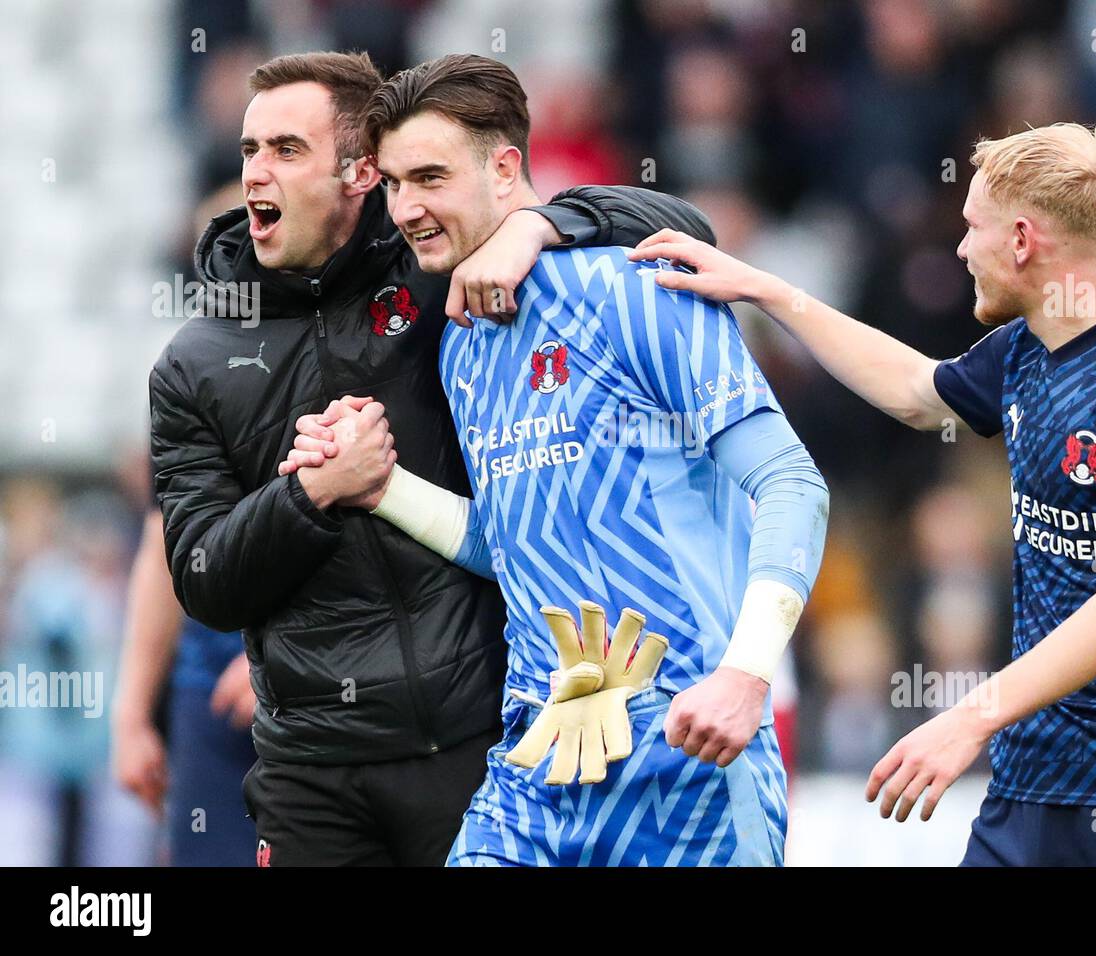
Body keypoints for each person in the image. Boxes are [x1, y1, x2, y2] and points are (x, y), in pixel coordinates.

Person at [150, 50, 716, 866]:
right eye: (248, 150)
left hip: (479, 743)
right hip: (310, 773)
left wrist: (536, 224)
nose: (255, 175)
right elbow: (203, 579)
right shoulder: (193, 361)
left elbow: (682, 228)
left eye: (285, 150)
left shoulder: (435, 272)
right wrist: (312, 496)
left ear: (359, 174)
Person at [626, 122, 1096, 866]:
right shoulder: (1024, 353)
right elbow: (917, 391)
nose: (959, 250)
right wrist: (764, 289)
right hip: (1029, 790)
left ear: (1021, 240)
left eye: (972, 228)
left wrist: (967, 719)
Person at [282, 54, 829, 866]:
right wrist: (382, 488)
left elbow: (791, 482)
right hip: (537, 765)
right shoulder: (464, 343)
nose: (406, 207)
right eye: (393, 184)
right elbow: (510, 543)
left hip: (685, 749)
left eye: (430, 177)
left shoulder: (641, 287)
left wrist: (746, 674)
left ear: (506, 168)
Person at [112, 511, 257, 866]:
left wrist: (286, 658)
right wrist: (130, 717)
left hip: (329, 692)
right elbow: (162, 530)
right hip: (211, 696)